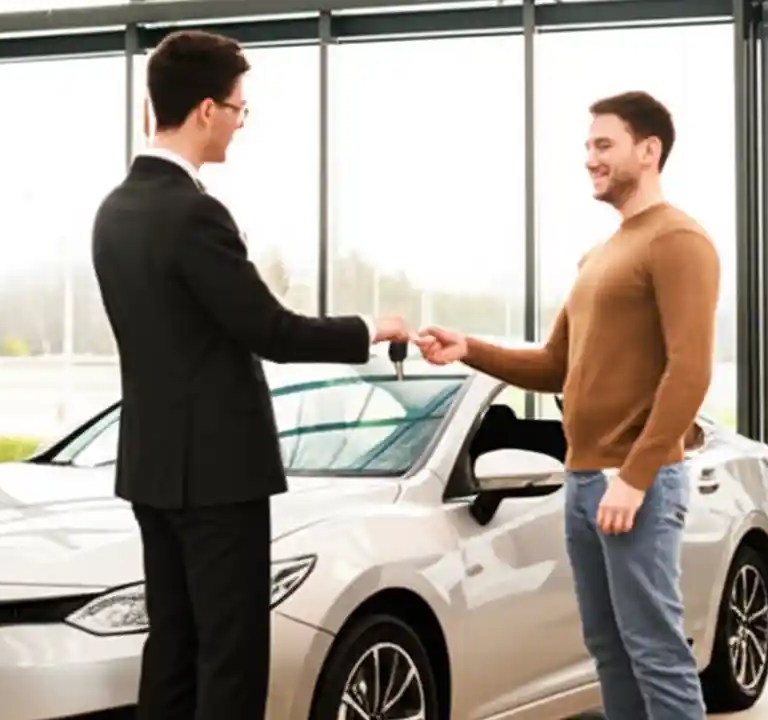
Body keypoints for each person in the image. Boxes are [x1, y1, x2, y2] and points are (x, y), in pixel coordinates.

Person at [91, 29, 409, 720]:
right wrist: (369, 329)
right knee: (232, 659)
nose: (240, 121)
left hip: (151, 467)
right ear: (205, 109)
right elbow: (271, 330)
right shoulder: (194, 212)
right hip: (217, 475)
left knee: (171, 647)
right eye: (239, 107)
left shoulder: (114, 212)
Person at [417, 90, 718, 720]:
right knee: (608, 649)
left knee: (655, 649)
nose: (590, 158)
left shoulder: (679, 241)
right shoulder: (599, 257)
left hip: (634, 482)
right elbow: (554, 364)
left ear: (649, 150)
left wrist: (634, 478)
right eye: (587, 147)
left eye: (603, 145)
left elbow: (690, 370)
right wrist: (467, 347)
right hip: (582, 480)